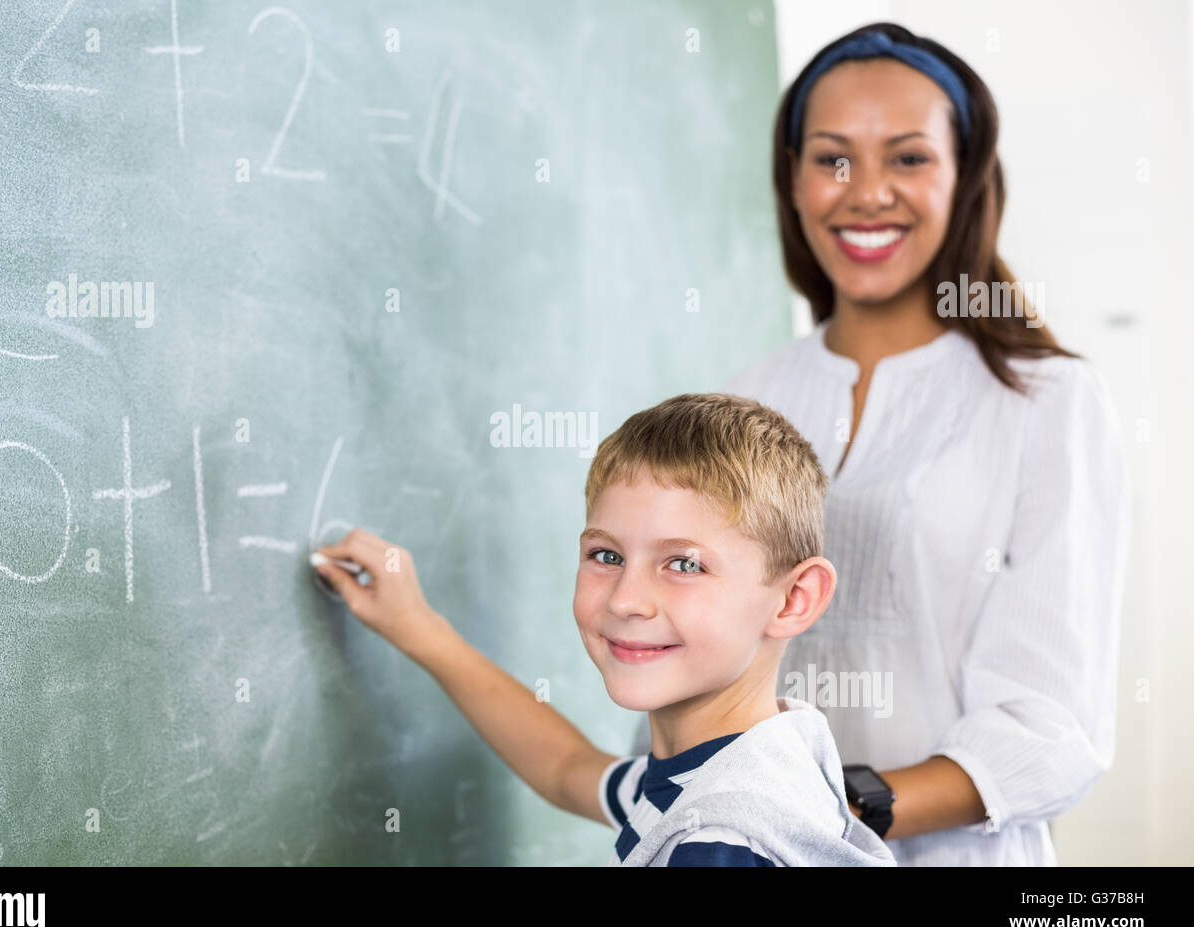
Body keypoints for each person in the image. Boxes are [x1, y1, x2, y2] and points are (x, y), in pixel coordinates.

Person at [721, 22, 1132, 865]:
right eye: (833, 157)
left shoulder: (1047, 403)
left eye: (907, 157)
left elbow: (1050, 731)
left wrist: (838, 812)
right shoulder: (750, 397)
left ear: (965, 176)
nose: (866, 191)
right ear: (793, 181)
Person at [311, 393, 894, 866]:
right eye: (606, 556)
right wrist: (420, 630)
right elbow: (565, 769)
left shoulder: (721, 842)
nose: (627, 599)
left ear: (794, 599)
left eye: (684, 564)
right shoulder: (749, 758)